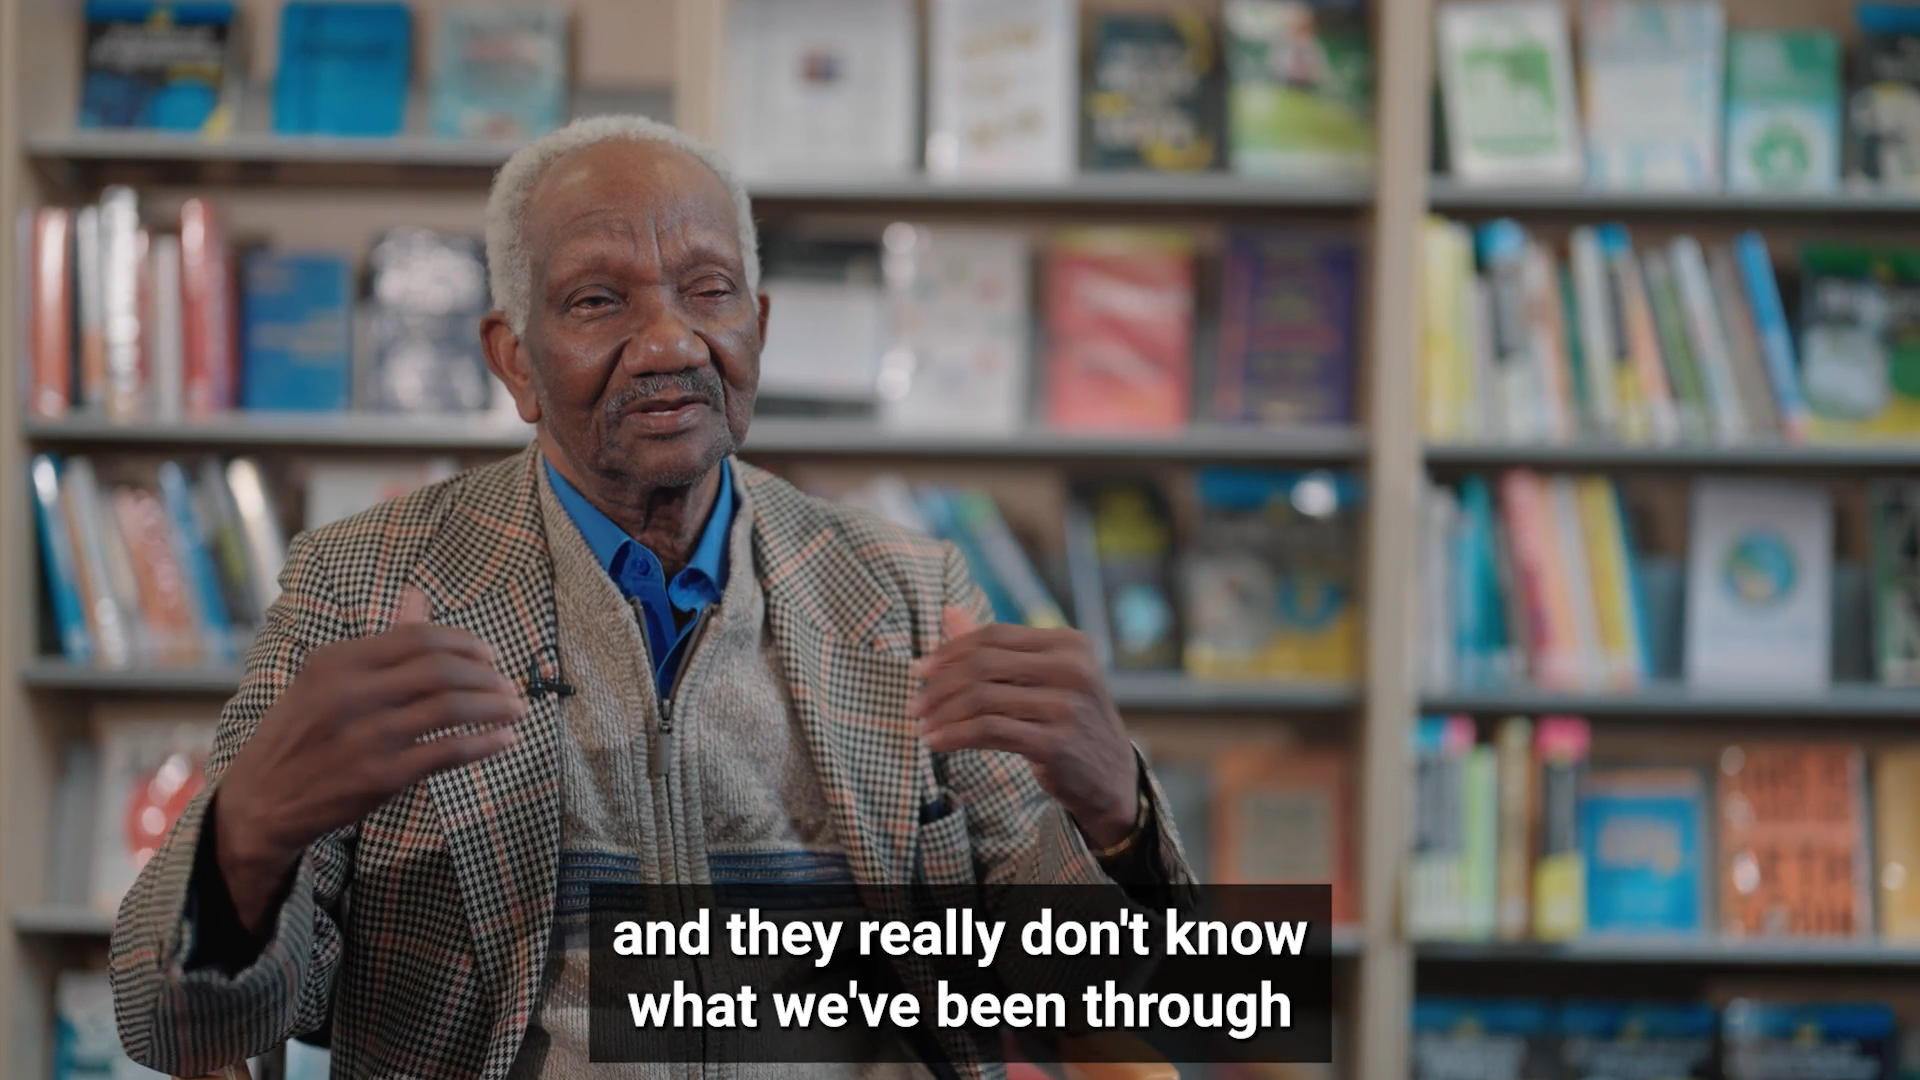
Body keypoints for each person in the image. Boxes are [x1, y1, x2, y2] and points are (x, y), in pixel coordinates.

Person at [109, 115, 1191, 1080]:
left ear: (757, 328)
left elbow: (1106, 1008)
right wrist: (245, 838)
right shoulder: (363, 586)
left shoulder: (908, 589)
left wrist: (1117, 823)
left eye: (709, 291)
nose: (672, 342)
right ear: (514, 359)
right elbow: (177, 1028)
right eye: (597, 300)